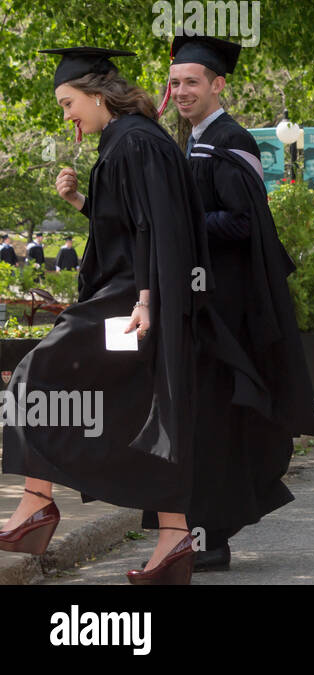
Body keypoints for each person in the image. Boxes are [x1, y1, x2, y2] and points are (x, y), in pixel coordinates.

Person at [2, 47, 210, 584]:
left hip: (130, 300)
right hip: (139, 297)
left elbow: (155, 229)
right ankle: (174, 541)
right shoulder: (131, 138)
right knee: (140, 411)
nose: (67, 115)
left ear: (96, 94)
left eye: (69, 103)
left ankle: (36, 505)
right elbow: (128, 221)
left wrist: (145, 301)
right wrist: (80, 203)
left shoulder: (135, 141)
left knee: (34, 377)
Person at [167, 34, 314, 571]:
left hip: (227, 312)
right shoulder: (194, 140)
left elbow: (243, 222)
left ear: (218, 84)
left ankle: (211, 539)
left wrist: (182, 225)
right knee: (207, 422)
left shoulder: (231, 140)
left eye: (192, 82)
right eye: (175, 83)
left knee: (216, 424)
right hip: (205, 306)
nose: (181, 91)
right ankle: (202, 532)